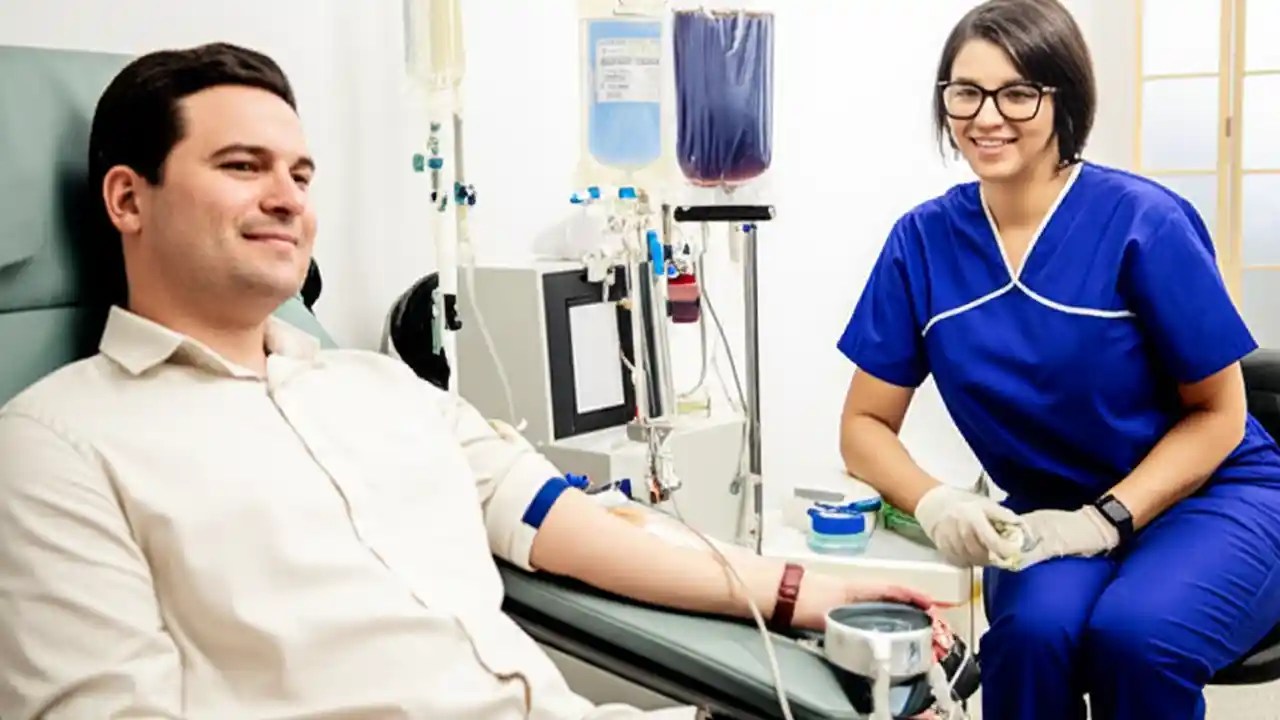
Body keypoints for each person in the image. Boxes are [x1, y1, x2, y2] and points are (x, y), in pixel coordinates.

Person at [0, 43, 937, 720]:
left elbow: (576, 528)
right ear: (128, 197)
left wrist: (805, 592)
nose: (288, 197)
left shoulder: (381, 389)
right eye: (242, 168)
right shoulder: (57, 446)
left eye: (300, 172)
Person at [836, 1, 1280, 719]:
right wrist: (936, 500)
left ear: (1064, 98)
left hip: (1214, 497)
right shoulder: (919, 244)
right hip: (1049, 514)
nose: (987, 116)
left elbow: (1221, 415)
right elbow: (862, 424)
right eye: (965, 92)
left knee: (1137, 637)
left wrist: (1106, 520)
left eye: (1018, 92)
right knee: (1031, 638)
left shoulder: (1143, 222)